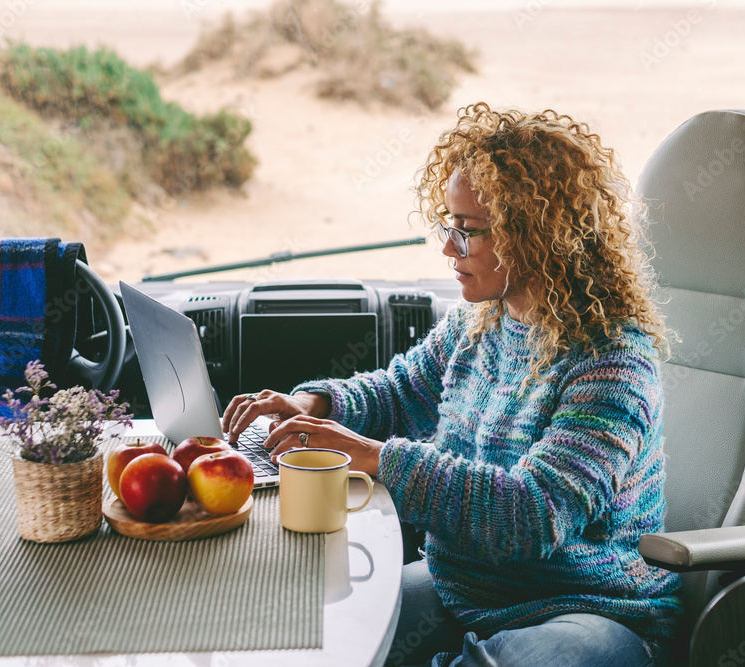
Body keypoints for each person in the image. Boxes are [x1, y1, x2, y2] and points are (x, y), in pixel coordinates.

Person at [222, 102, 681, 666]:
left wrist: (375, 458)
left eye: (468, 233)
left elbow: (533, 515)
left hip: (588, 611)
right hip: (464, 591)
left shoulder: (613, 363)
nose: (448, 249)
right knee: (314, 635)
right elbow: (398, 394)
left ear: (535, 235)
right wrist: (314, 402)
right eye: (450, 227)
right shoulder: (478, 322)